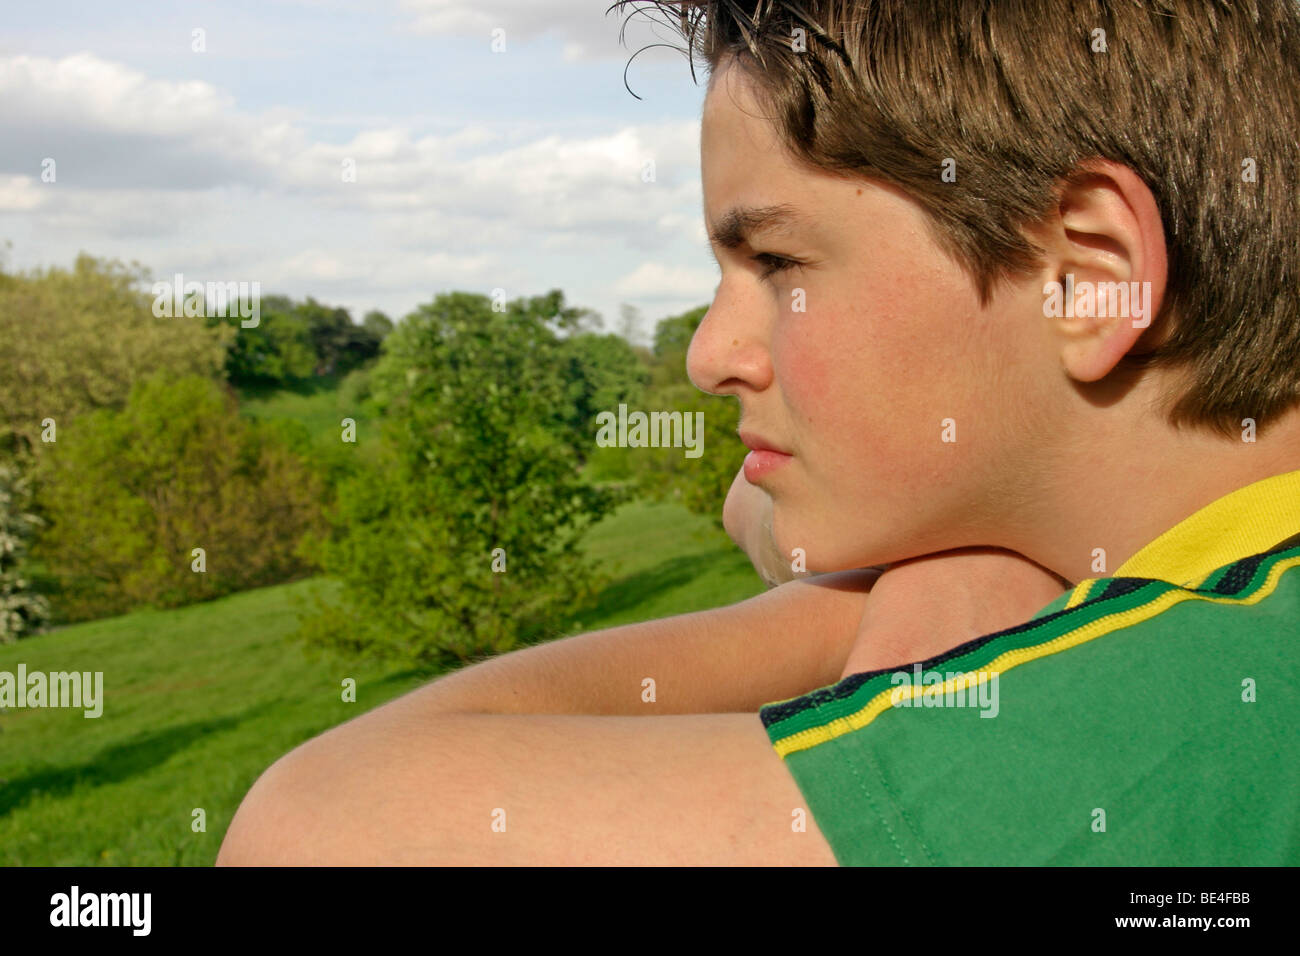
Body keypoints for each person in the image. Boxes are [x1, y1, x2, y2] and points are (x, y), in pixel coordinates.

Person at [216, 0, 1300, 865]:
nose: (708, 353)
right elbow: (761, 504)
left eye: (778, 265)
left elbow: (311, 828)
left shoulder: (1145, 725)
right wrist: (953, 555)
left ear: (1086, 275)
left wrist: (862, 613)